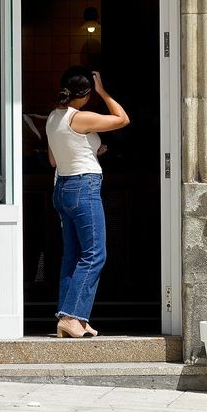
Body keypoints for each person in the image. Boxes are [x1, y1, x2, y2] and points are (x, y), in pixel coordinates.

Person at [45, 67, 129, 338]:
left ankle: (71, 318)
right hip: (84, 187)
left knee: (72, 256)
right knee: (94, 254)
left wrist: (91, 151)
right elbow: (122, 119)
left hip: (63, 188)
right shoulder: (79, 118)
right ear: (86, 93)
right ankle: (72, 316)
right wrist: (104, 92)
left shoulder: (52, 118)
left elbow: (54, 160)